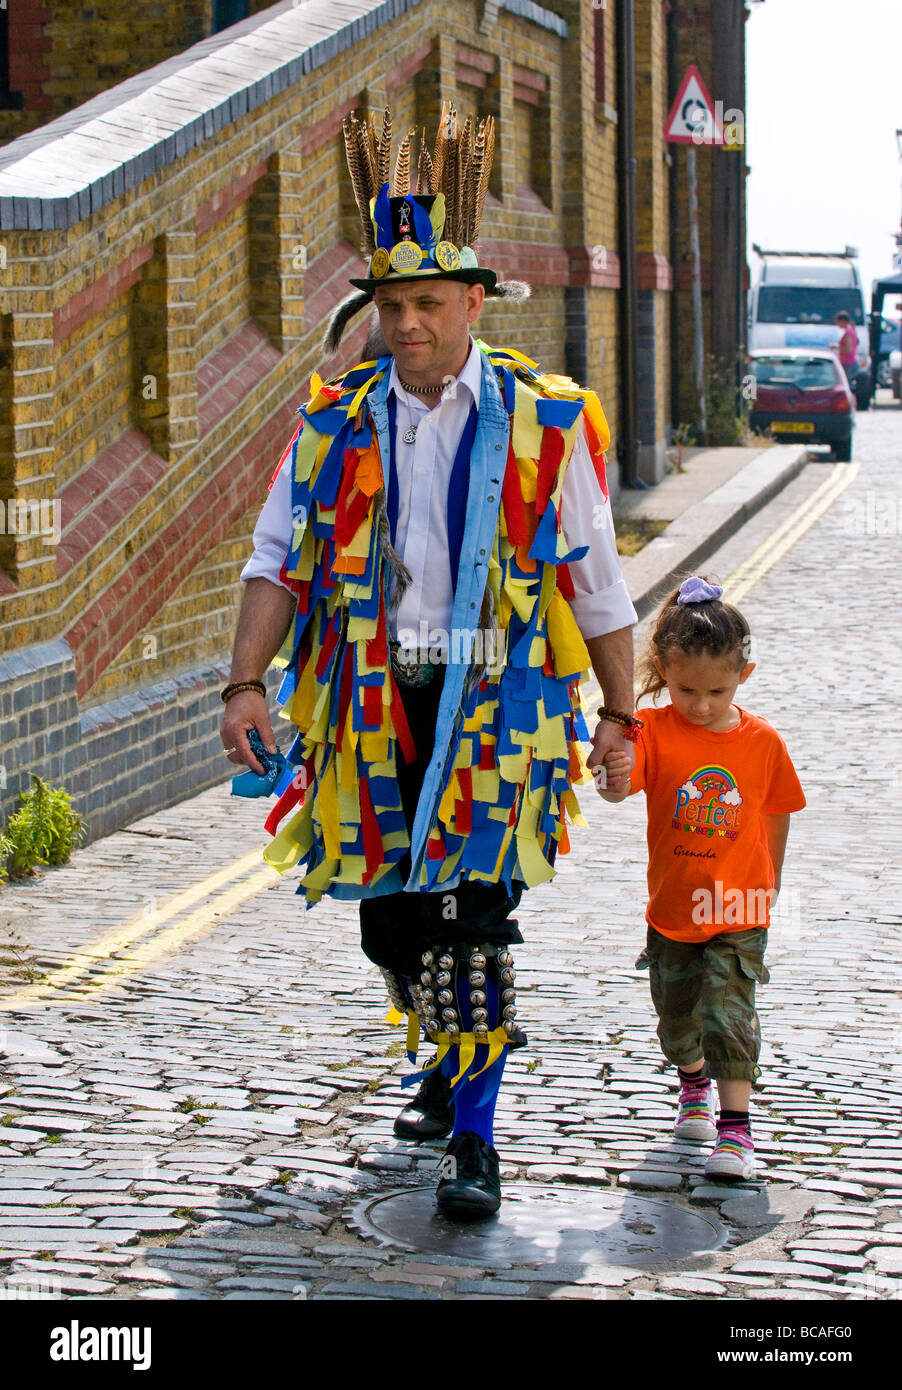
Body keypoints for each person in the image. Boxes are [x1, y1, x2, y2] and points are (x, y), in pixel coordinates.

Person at [221, 103, 638, 1218]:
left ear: (472, 301)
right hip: (367, 703)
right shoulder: (332, 424)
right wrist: (245, 683)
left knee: (471, 917)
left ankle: (472, 1136)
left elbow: (595, 580)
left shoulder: (545, 425)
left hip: (500, 700)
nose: (403, 325)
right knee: (391, 922)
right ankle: (443, 1052)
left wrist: (620, 713)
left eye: (423, 304)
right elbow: (277, 561)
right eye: (388, 305)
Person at [598, 576, 805, 1180]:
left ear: (745, 673)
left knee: (729, 1010)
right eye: (687, 690)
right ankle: (692, 1085)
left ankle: (736, 1132)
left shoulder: (763, 741)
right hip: (672, 907)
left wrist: (771, 888)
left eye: (717, 690)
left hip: (738, 908)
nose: (703, 704)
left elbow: (775, 813)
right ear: (664, 669)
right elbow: (621, 790)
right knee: (677, 1015)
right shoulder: (654, 731)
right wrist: (613, 776)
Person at [832, 311, 859, 393]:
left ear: (843, 321)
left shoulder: (848, 333)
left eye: (838, 322)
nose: (837, 324)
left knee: (847, 387)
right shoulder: (851, 330)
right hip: (849, 362)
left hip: (849, 364)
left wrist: (836, 347)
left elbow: (848, 349)